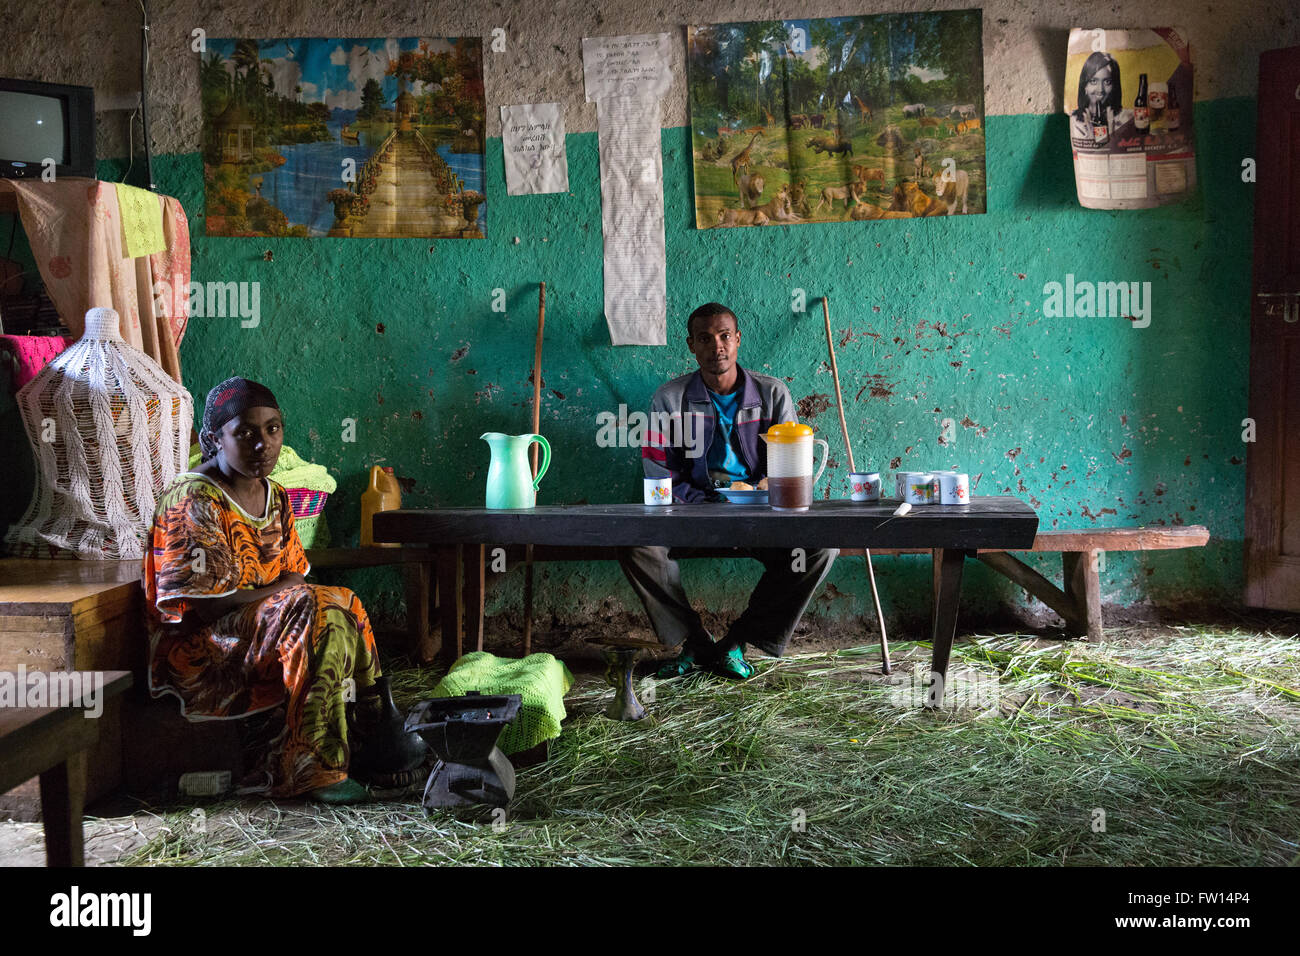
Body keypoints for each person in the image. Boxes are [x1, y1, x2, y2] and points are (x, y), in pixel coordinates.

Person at [143, 377, 423, 804]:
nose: (264, 444)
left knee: (342, 601)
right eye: (246, 432)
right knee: (311, 608)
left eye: (273, 429)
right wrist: (284, 588)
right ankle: (313, 769)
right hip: (205, 651)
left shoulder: (274, 495)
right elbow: (205, 607)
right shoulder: (194, 500)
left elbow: (295, 584)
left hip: (260, 629)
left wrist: (286, 589)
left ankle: (375, 728)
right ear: (213, 439)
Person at [617, 303, 837, 680]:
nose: (716, 346)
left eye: (724, 336)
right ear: (691, 346)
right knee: (636, 544)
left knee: (819, 549)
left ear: (737, 340)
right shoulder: (669, 399)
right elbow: (658, 473)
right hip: (690, 513)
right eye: (704, 338)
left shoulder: (772, 394)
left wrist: (767, 489)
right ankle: (695, 640)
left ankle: (738, 639)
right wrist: (705, 503)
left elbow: (791, 465)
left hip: (760, 514)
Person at [1070, 51, 1133, 142]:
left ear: (1114, 86)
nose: (1100, 90)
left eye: (1107, 82)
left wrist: (1112, 131)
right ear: (1084, 86)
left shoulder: (1127, 118)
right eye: (1093, 81)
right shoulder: (1073, 120)